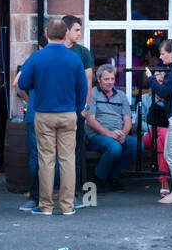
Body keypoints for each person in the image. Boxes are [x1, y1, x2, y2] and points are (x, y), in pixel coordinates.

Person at [16, 18, 85, 215]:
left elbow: (23, 83)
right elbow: (81, 88)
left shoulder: (37, 57)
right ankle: (67, 205)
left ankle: (45, 206)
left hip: (43, 113)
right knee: (67, 159)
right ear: (65, 35)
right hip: (68, 113)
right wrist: (78, 108)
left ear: (46, 35)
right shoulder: (74, 58)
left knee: (46, 160)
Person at [85, 64, 142, 193]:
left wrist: (123, 134)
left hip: (118, 133)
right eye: (106, 79)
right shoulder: (92, 93)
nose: (110, 82)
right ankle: (98, 178)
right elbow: (90, 120)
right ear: (99, 79)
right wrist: (110, 134)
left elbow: (127, 119)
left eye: (112, 79)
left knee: (137, 145)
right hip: (97, 135)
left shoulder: (121, 96)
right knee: (115, 148)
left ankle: (113, 176)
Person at [62, 15, 95, 188]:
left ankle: (73, 191)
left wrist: (85, 106)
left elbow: (88, 80)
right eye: (76, 30)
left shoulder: (83, 52)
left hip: (77, 109)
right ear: (66, 31)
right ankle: (54, 189)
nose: (80, 33)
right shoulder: (55, 49)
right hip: (58, 108)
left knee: (75, 152)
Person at [147, 40, 172, 201]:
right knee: (161, 141)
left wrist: (151, 79)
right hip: (156, 129)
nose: (160, 56)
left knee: (162, 142)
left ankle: (168, 186)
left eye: (163, 53)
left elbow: (164, 91)